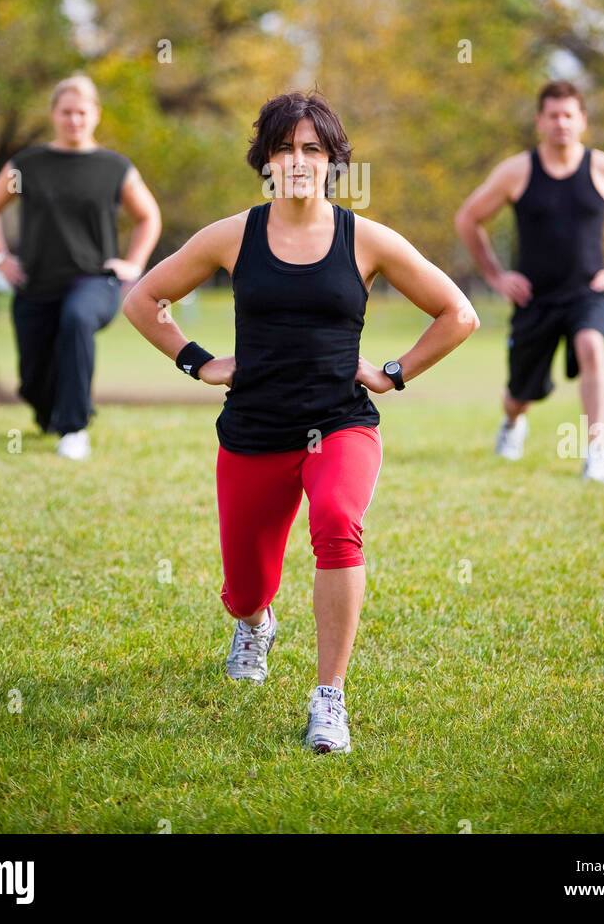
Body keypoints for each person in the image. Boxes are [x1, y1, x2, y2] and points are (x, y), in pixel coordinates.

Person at [121, 89, 480, 754]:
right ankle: (255, 623)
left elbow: (458, 313)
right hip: (255, 429)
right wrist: (196, 362)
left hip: (340, 422)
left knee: (339, 524)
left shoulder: (365, 239)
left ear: (331, 161)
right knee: (244, 587)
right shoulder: (233, 236)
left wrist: (394, 373)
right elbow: (144, 299)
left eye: (311, 149)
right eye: (283, 147)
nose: (296, 159)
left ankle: (329, 699)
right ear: (265, 160)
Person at [455, 80, 604, 483]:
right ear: (540, 121)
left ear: (582, 120)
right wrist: (496, 275)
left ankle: (596, 451)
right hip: (534, 298)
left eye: (569, 115)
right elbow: (468, 218)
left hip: (587, 293)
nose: (561, 123)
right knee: (519, 396)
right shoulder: (517, 171)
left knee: (592, 346)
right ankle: (513, 424)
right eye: (553, 115)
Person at [0, 73, 162, 459]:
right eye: (66, 112)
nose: (74, 120)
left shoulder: (114, 167)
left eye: (81, 112)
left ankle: (75, 429)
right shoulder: (29, 163)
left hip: (95, 282)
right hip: (37, 283)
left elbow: (149, 217)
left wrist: (133, 263)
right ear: (53, 115)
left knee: (76, 319)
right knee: (33, 382)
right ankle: (53, 416)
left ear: (95, 115)